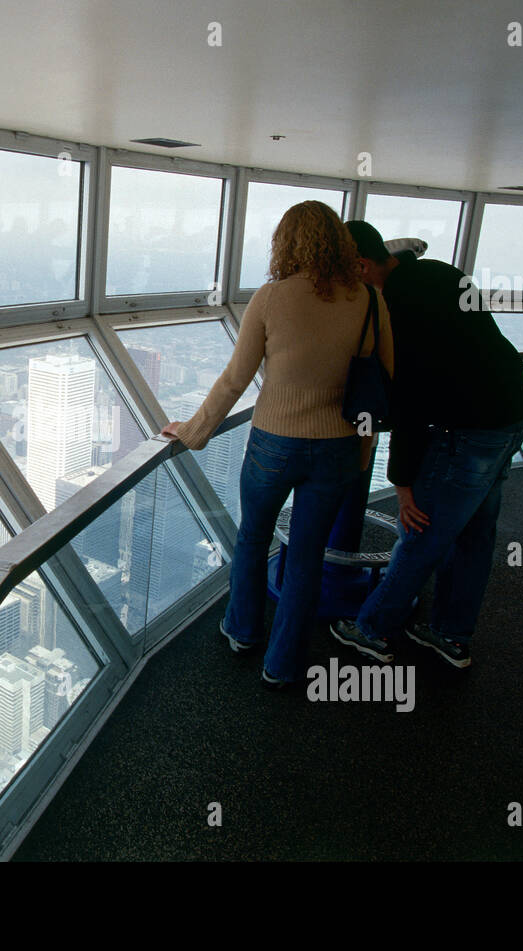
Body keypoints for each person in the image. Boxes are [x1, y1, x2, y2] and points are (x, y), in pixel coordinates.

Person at [162, 201, 393, 688]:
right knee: (308, 556)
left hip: (274, 443)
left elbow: (234, 379)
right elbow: (383, 377)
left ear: (285, 243)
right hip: (337, 447)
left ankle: (243, 630)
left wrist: (194, 431)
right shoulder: (369, 300)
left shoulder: (270, 298)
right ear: (339, 241)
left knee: (252, 538)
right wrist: (363, 450)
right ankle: (283, 664)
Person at [330, 221, 523, 668]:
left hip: (467, 430)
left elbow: (412, 402)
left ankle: (372, 629)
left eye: (346, 273)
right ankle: (450, 634)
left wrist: (402, 484)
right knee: (476, 535)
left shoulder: (400, 307)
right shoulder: (442, 272)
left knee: (421, 531)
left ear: (362, 265)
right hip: (511, 415)